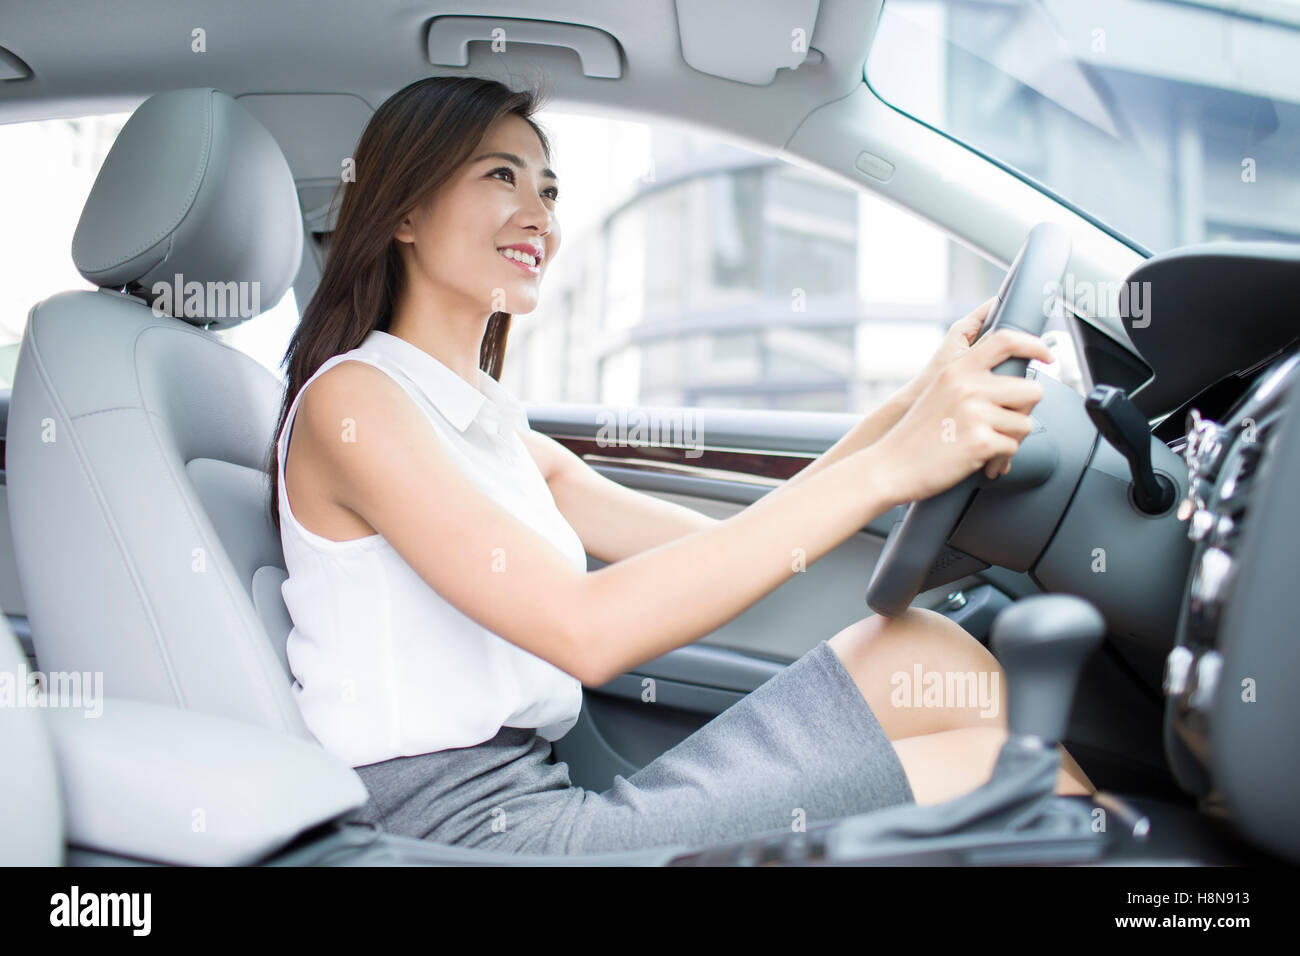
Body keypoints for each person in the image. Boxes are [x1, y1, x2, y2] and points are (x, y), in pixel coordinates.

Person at [266, 75, 1093, 857]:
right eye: (501, 177)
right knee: (1008, 777)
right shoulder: (356, 402)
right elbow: (585, 630)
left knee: (923, 653)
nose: (539, 217)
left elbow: (720, 540)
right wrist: (892, 468)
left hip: (538, 796)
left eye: (549, 191)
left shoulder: (483, 421)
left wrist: (914, 406)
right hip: (469, 839)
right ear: (404, 212)